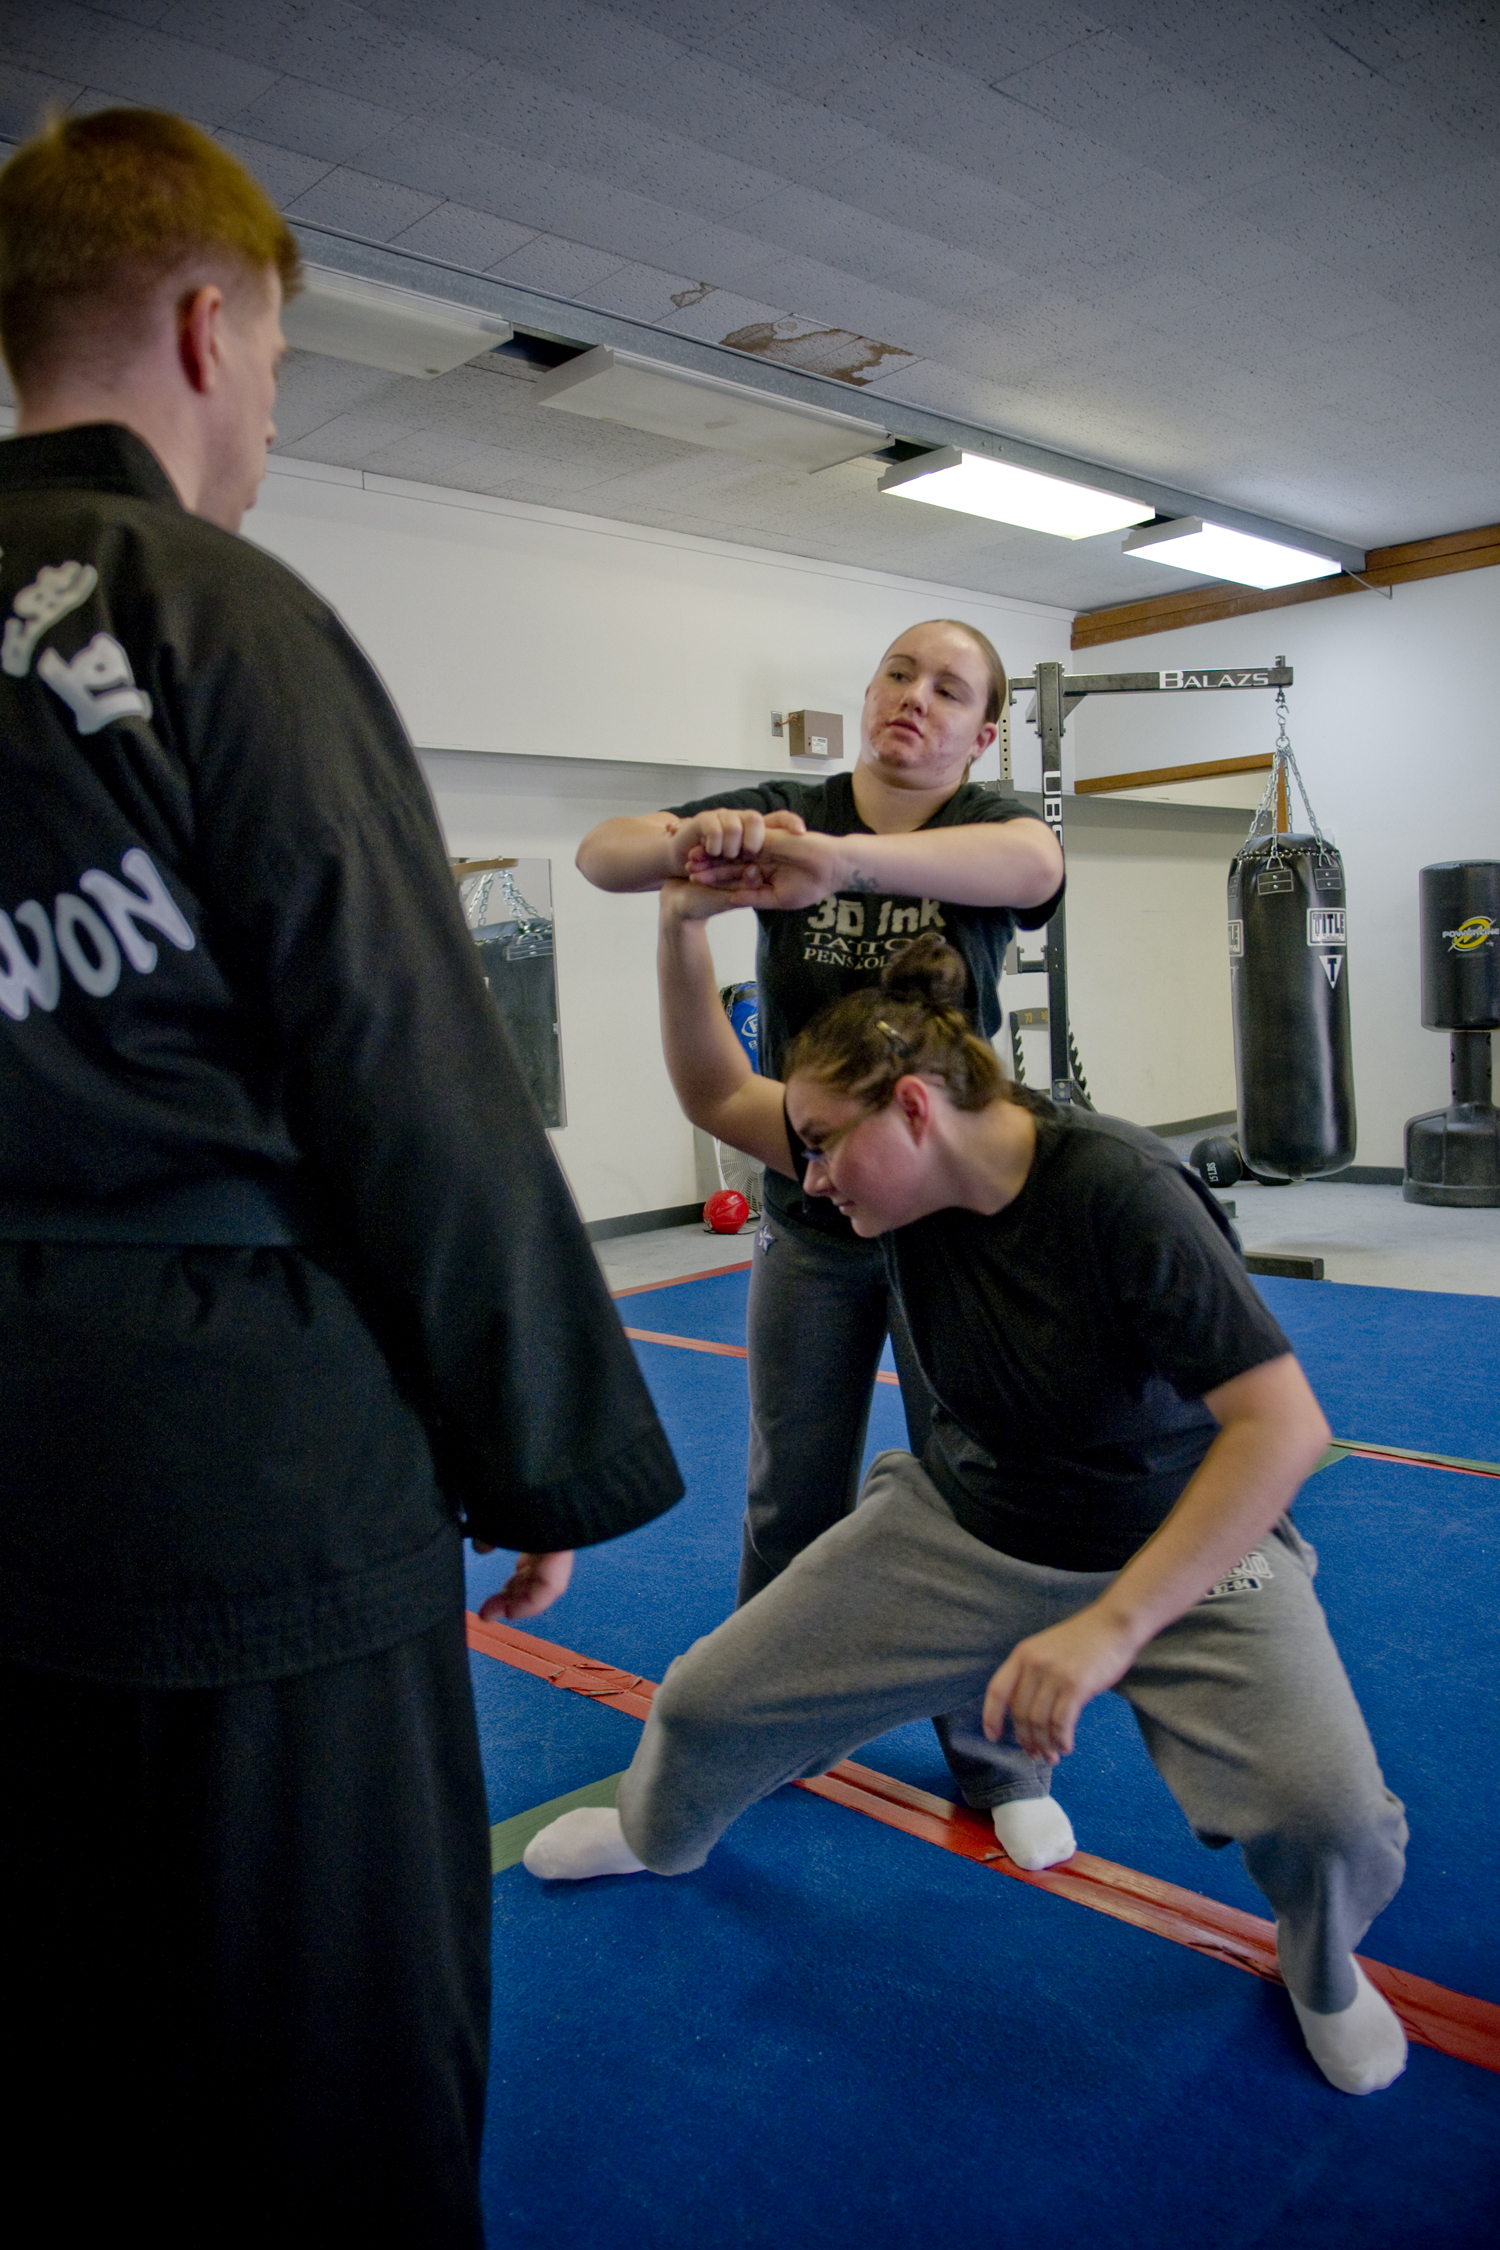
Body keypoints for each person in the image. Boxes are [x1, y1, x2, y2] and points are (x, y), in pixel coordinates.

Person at [0, 109, 681, 2243]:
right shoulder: (207, 609)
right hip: (250, 1480)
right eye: (283, 367)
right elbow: (409, 1062)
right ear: (212, 326)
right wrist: (536, 1446)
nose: (271, 414)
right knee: (324, 2072)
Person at [522, 909, 1410, 2099]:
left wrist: (1108, 1627)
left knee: (1332, 1820)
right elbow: (710, 1087)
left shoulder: (1122, 1191)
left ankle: (1326, 1974)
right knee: (700, 1702)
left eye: (827, 1148)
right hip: (964, 1527)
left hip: (1183, 1551)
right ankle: (654, 1836)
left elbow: (1284, 1427)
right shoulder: (896, 1175)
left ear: (917, 1109)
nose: (816, 1181)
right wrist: (684, 924)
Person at [577, 619, 1076, 1866]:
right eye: (901, 673)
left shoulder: (987, 819)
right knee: (788, 1490)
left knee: (978, 1496)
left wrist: (834, 866)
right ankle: (762, 1729)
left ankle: (997, 1756)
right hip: (812, 1209)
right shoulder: (783, 805)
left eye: (949, 688)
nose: (917, 698)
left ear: (982, 730)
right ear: (868, 693)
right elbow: (604, 853)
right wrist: (709, 847)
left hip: (954, 1231)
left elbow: (1032, 866)